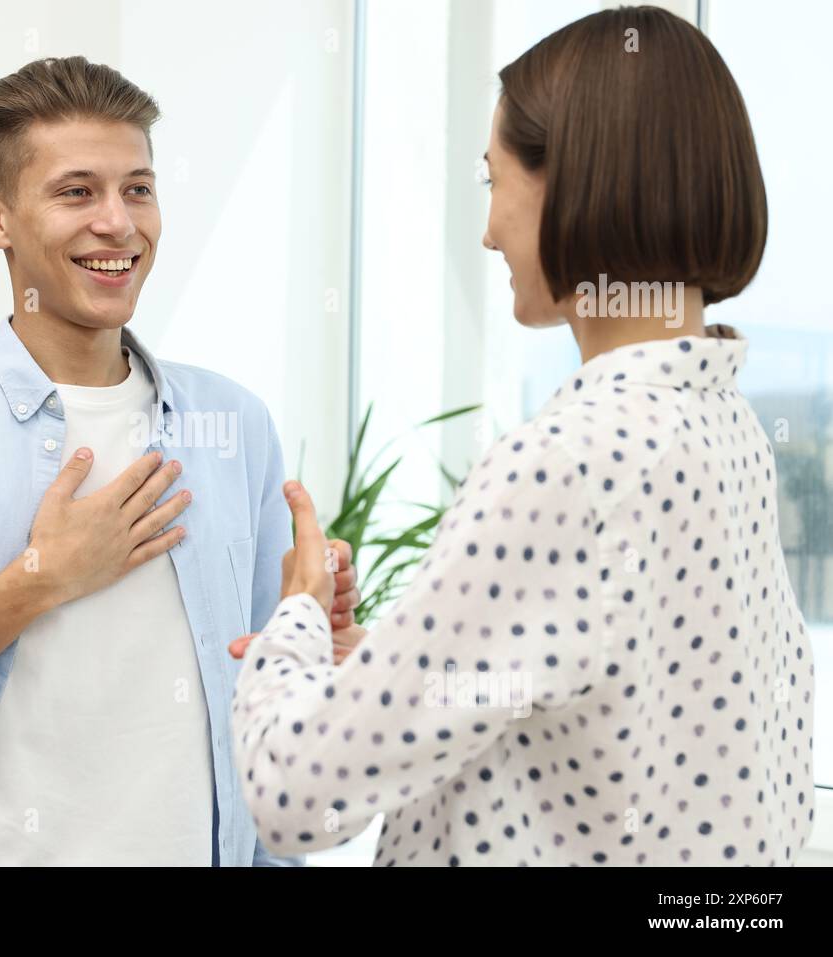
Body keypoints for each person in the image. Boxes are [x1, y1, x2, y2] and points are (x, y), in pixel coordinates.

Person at [230, 5, 814, 866]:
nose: (489, 228)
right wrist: (389, 681)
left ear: (577, 181)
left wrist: (298, 618)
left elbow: (297, 794)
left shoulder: (571, 461)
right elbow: (597, 711)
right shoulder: (723, 425)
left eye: (492, 180)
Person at [0, 55, 360, 866]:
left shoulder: (234, 424)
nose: (118, 223)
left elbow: (264, 717)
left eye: (139, 189)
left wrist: (321, 650)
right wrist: (36, 583)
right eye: (76, 191)